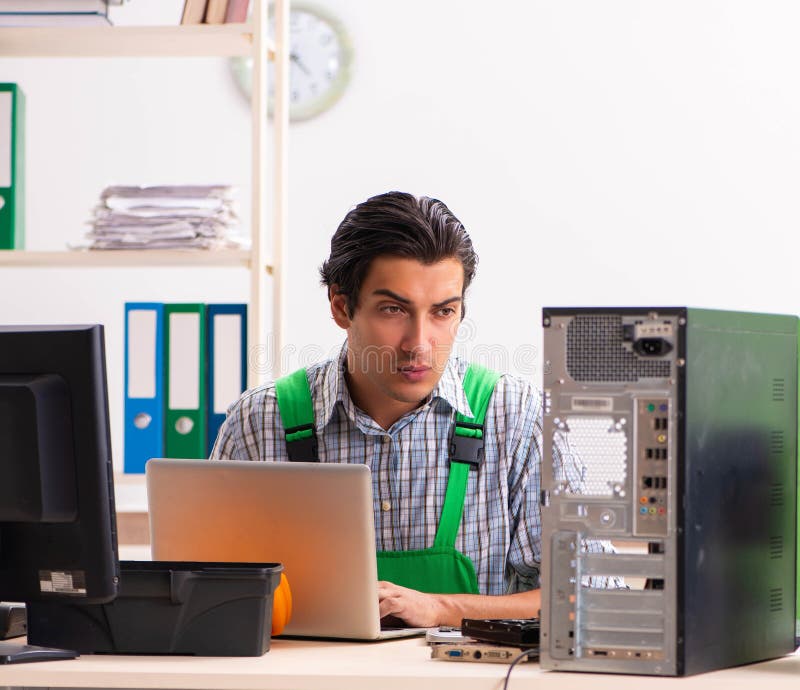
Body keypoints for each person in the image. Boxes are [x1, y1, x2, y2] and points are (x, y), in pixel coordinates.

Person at [211, 190, 559, 627]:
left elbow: (584, 599)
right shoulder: (259, 424)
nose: (418, 343)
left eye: (443, 312)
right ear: (341, 306)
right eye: (393, 309)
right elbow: (210, 599)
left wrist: (443, 608)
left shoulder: (517, 417)